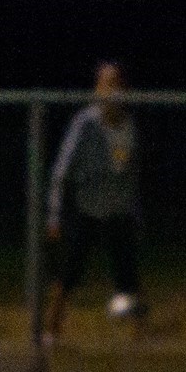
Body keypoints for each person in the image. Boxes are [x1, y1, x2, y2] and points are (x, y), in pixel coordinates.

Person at [41, 61, 145, 342]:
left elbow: (131, 173)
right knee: (68, 273)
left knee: (128, 277)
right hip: (86, 208)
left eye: (116, 83)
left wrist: (135, 211)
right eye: (104, 83)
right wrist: (54, 216)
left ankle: (138, 338)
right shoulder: (85, 123)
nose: (110, 90)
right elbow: (61, 171)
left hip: (118, 211)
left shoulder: (129, 124)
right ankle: (50, 333)